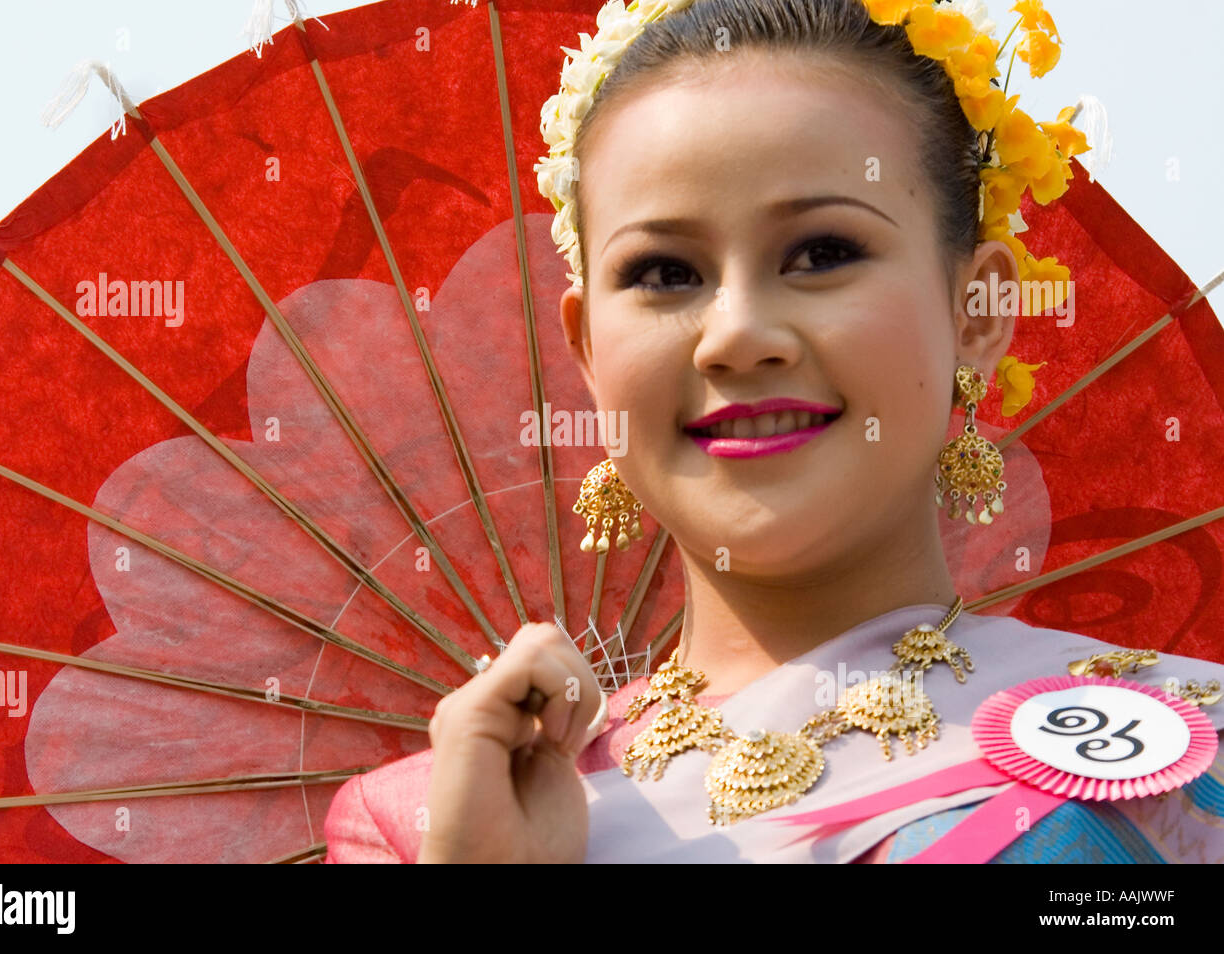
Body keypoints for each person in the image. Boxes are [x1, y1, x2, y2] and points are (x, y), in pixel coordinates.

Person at [323, 0, 1224, 863]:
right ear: (588, 350)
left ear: (978, 310)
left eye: (823, 253)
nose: (737, 335)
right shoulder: (434, 818)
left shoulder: (1182, 749)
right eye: (664, 271)